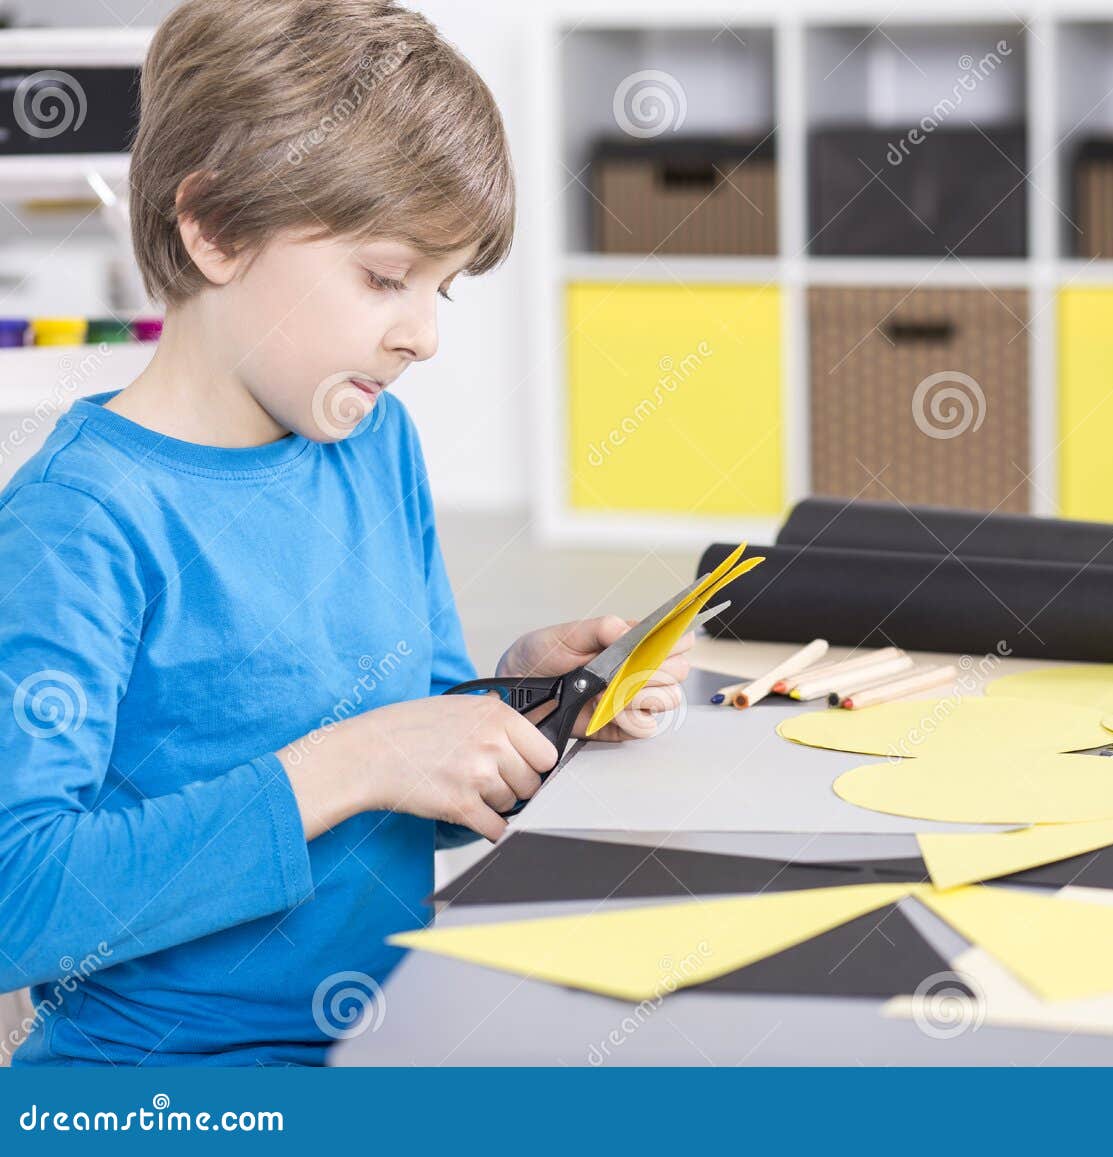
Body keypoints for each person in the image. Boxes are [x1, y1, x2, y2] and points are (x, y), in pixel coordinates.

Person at [0, 0, 688, 1065]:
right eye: (385, 278)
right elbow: (19, 899)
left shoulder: (372, 445)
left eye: (442, 287)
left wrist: (527, 705)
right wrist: (351, 761)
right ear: (214, 228)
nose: (422, 333)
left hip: (390, 1037)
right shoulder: (80, 521)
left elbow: (417, 775)